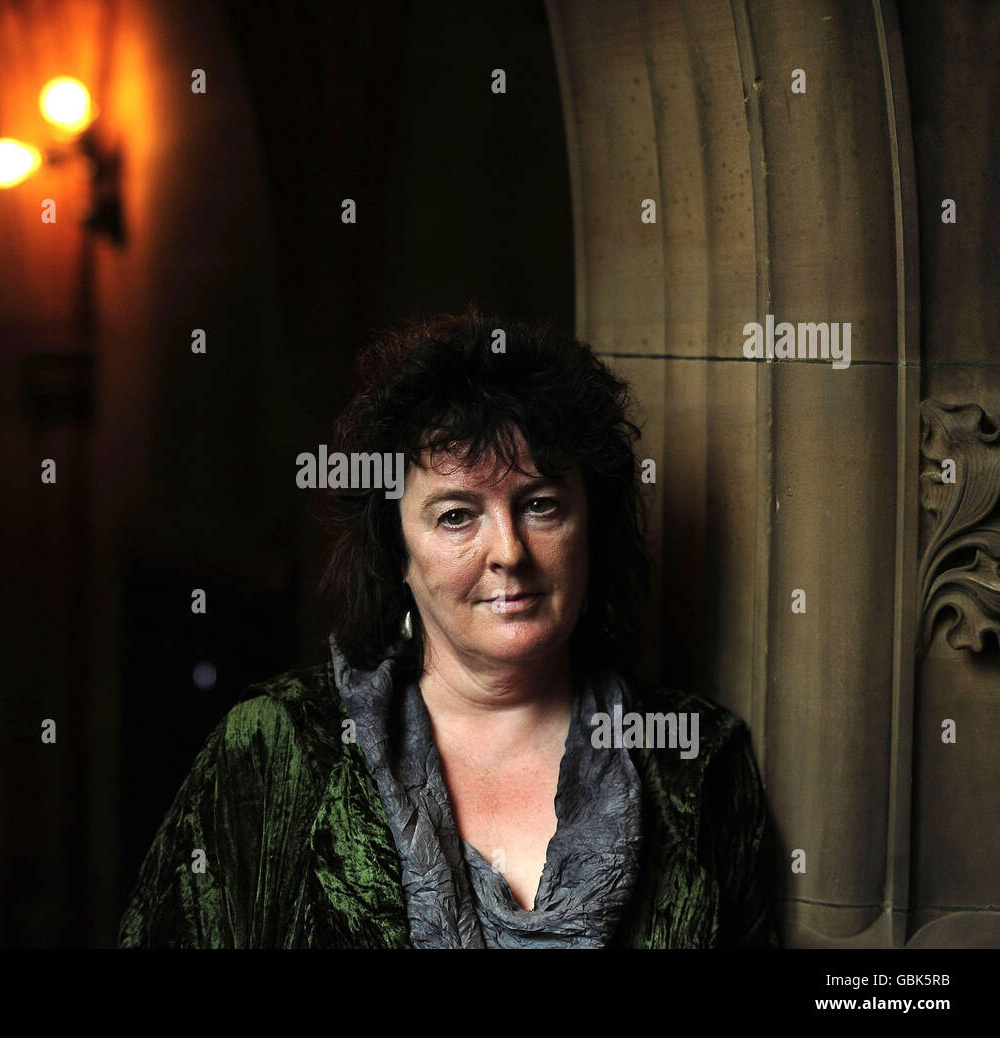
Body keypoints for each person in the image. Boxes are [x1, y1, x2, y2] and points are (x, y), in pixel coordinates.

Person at [118, 306, 777, 948]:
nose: (510, 551)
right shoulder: (280, 749)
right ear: (397, 551)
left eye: (542, 505)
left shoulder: (697, 765)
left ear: (590, 526)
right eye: (457, 515)